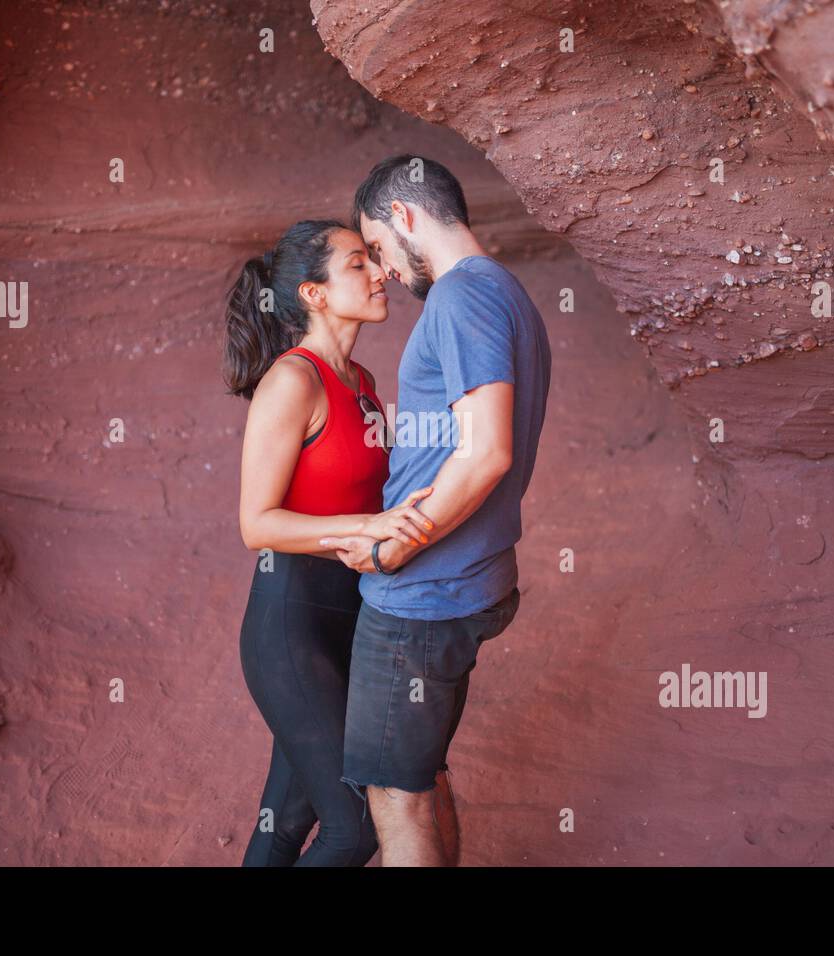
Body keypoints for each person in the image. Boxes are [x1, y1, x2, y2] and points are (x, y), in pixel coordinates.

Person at [320, 155, 552, 866]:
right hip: (460, 581)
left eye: (381, 249)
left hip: (422, 595)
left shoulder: (462, 297)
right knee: (420, 778)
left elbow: (485, 455)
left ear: (407, 217)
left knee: (397, 797)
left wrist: (393, 550)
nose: (382, 271)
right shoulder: (503, 293)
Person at [223, 219, 435, 866]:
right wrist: (365, 527)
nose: (379, 274)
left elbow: (368, 496)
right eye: (356, 264)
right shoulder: (293, 381)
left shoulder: (362, 383)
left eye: (374, 259)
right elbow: (256, 524)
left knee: (284, 823)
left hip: (351, 625)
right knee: (357, 829)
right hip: (290, 629)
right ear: (314, 294)